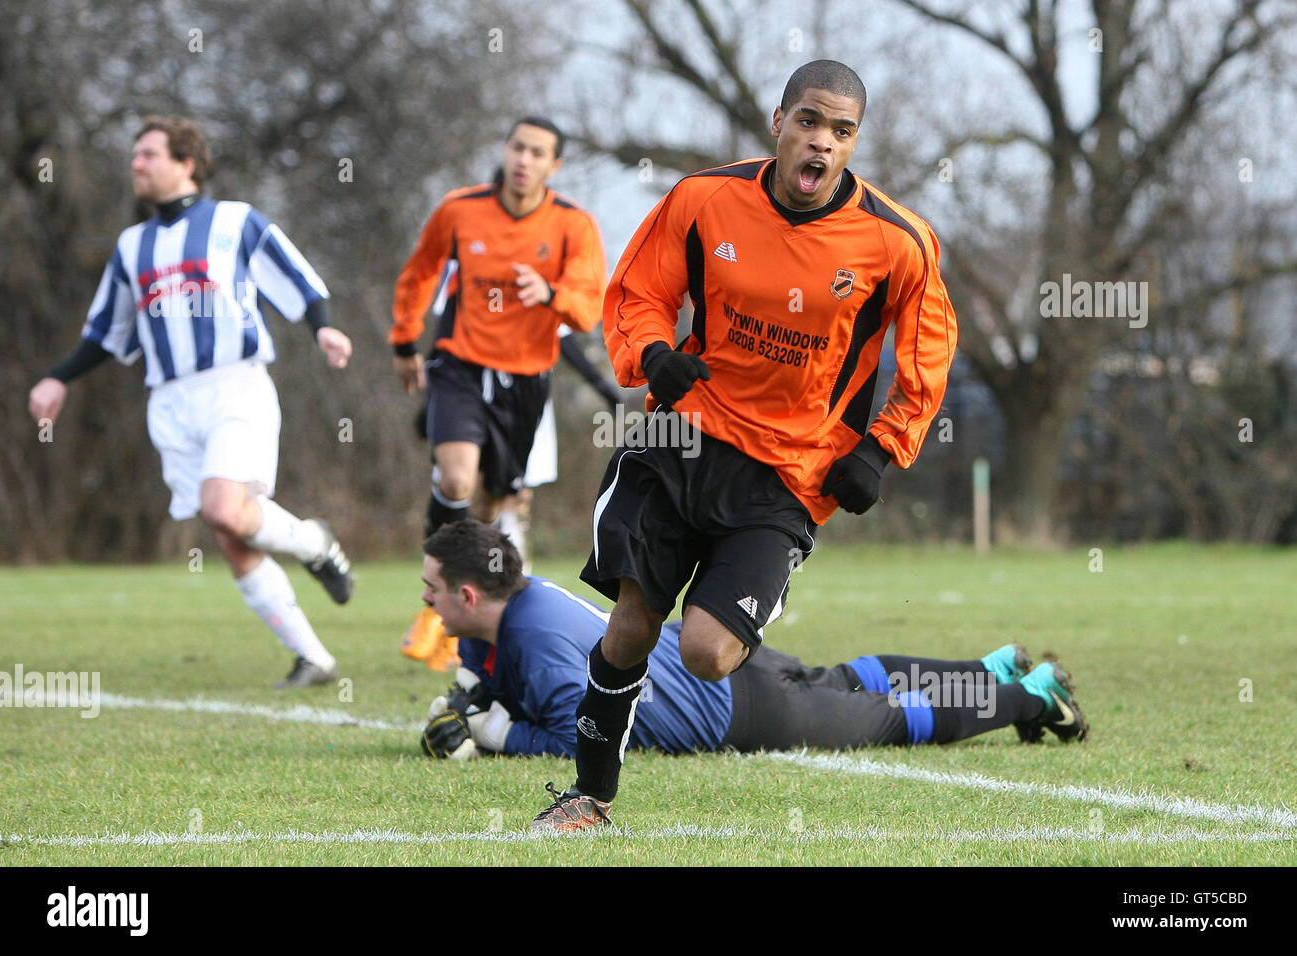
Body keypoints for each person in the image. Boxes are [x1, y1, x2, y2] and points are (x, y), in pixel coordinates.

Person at [532, 59, 972, 831]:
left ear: (854, 143)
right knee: (631, 626)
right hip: (684, 438)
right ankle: (589, 799)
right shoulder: (705, 198)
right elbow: (639, 293)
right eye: (808, 121)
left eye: (842, 132)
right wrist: (653, 354)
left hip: (790, 472)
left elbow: (930, 347)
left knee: (705, 652)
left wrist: (882, 448)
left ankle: (751, 619)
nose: (821, 144)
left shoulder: (895, 241)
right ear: (778, 122)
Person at [26, 115, 354, 689]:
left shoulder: (234, 221)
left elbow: (296, 277)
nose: (137, 164)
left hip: (235, 385)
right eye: (135, 155)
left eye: (149, 153)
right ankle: (314, 657)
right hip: (171, 402)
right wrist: (57, 378)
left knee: (224, 509)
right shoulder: (133, 246)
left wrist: (321, 327)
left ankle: (312, 542)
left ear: (187, 163)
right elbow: (107, 332)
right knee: (229, 534)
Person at [416, 522, 1088, 780]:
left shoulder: (528, 638)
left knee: (889, 718)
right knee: (848, 679)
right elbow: (497, 683)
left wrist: (502, 737)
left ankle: (1032, 694)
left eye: (432, 590)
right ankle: (992, 668)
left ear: (470, 596)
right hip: (718, 661)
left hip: (737, 710)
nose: (425, 604)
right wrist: (466, 709)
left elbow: (582, 736)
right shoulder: (508, 618)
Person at [391, 117, 608, 659]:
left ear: (553, 166)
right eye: (517, 147)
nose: (524, 160)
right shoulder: (461, 209)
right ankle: (431, 601)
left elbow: (589, 307)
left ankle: (464, 614)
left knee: (490, 508)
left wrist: (552, 291)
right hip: (460, 368)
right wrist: (404, 342)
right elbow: (420, 273)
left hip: (526, 382)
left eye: (537, 153)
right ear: (505, 151)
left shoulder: (573, 226)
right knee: (456, 479)